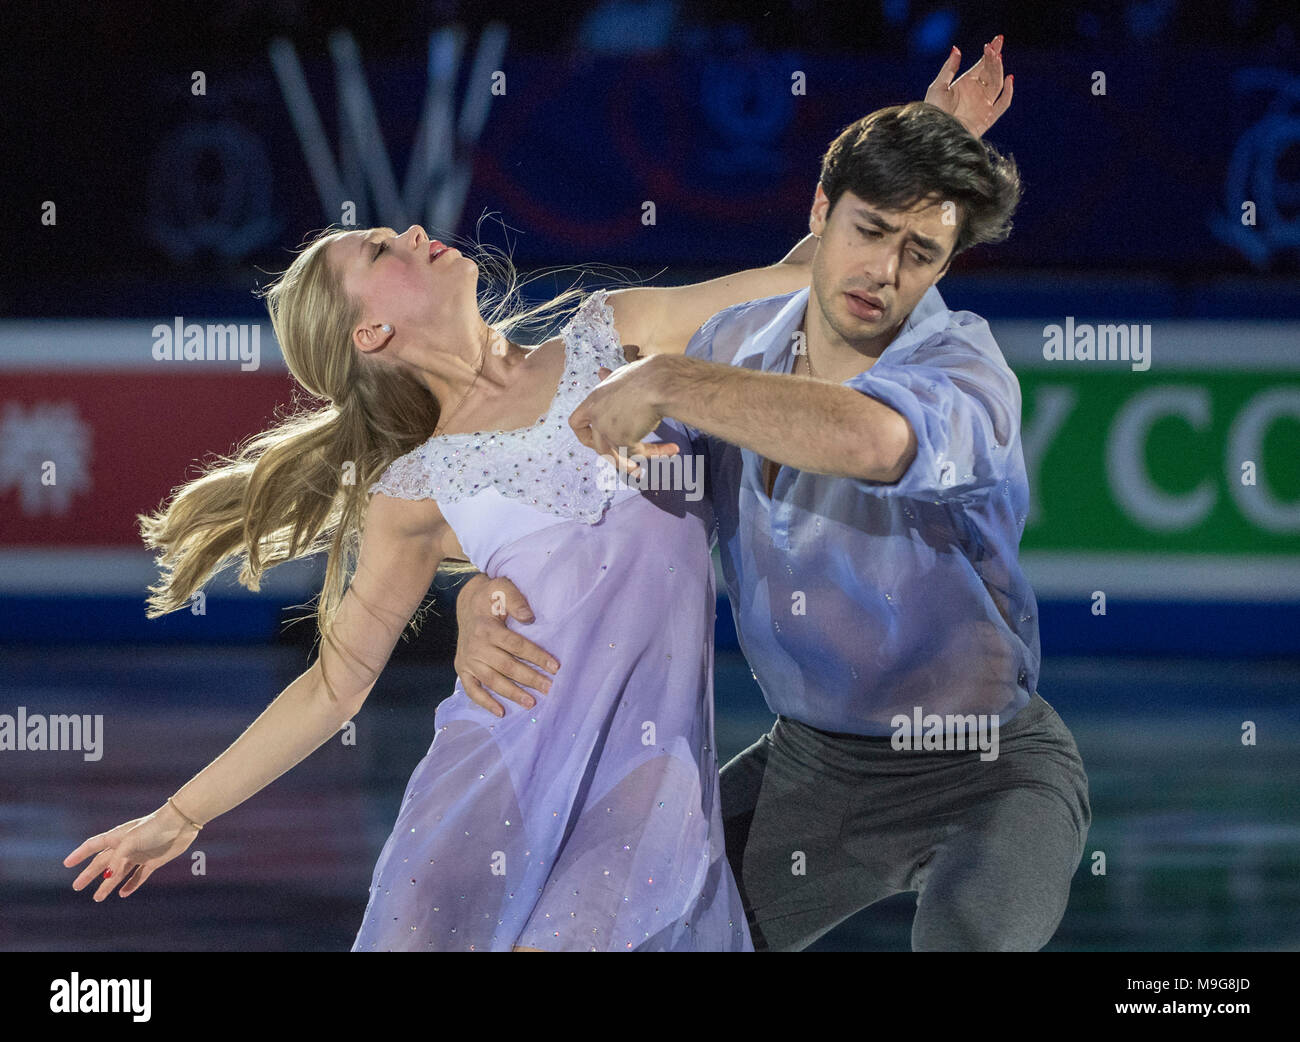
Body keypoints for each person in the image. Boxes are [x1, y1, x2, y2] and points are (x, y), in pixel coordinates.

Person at [62, 38, 1011, 952]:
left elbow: (801, 279)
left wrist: (926, 148)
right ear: (372, 335)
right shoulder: (416, 486)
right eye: (386, 249)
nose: (417, 232)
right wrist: (179, 814)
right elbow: (330, 687)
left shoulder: (615, 335)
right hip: (496, 784)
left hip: (650, 781)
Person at [456, 42, 1092, 953]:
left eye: (921, 251)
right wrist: (479, 590)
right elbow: (592, 504)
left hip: (990, 772)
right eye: (869, 231)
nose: (883, 272)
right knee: (606, 934)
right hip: (811, 771)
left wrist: (673, 380)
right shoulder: (735, 342)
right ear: (820, 212)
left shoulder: (964, 369)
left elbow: (869, 439)